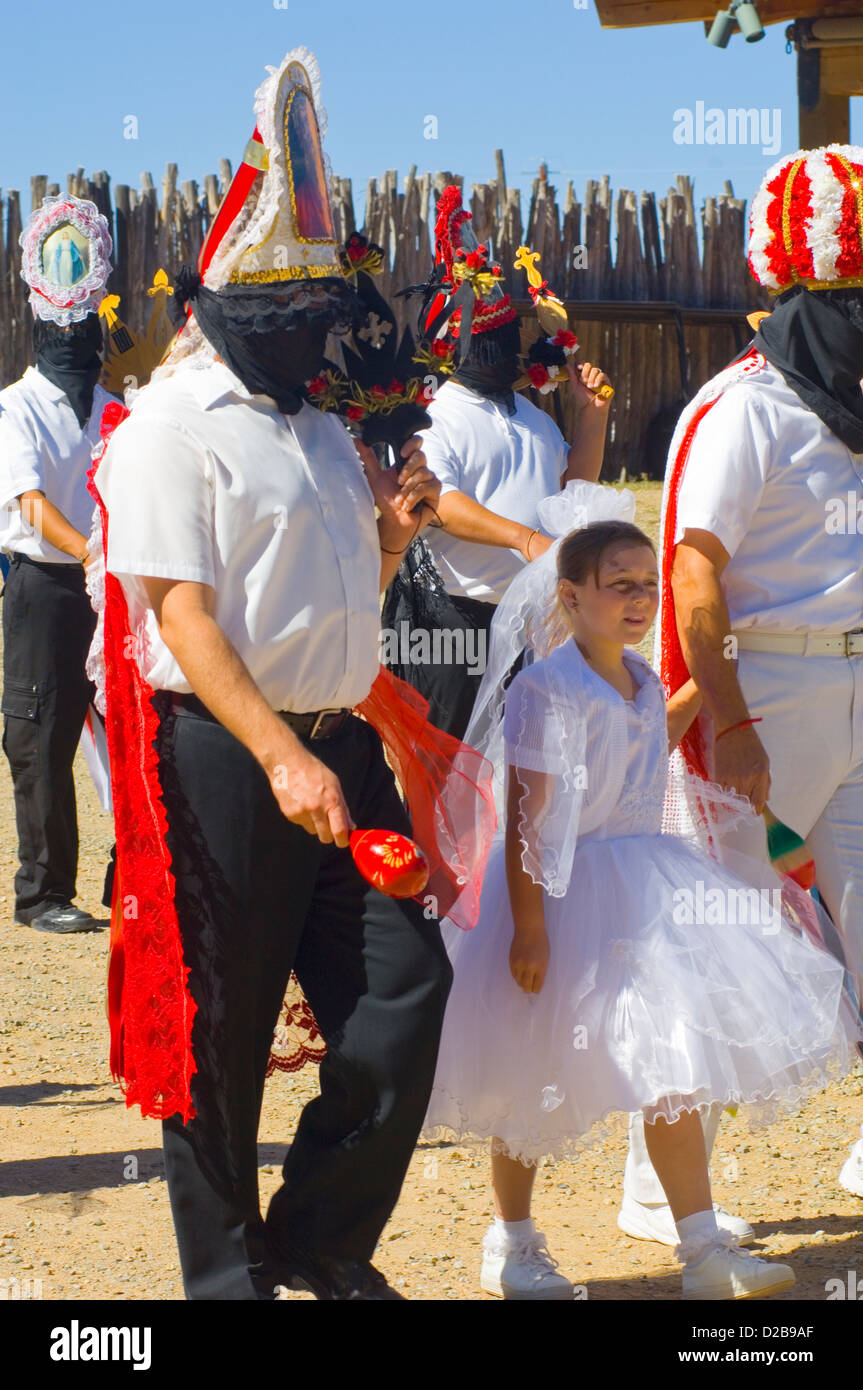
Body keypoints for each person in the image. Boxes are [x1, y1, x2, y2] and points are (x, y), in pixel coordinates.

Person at [91, 49, 471, 1302]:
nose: (319, 321)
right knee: (222, 1028)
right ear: (237, 305)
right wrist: (277, 751)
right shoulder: (164, 428)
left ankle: (314, 1237)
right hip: (226, 751)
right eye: (297, 302)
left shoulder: (316, 427)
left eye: (327, 297)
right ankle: (222, 1274)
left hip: (338, 746)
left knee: (403, 992)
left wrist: (394, 537)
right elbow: (186, 618)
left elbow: (328, 578)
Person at [424, 482, 857, 1300]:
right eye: (617, 584)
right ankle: (511, 1241)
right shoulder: (545, 688)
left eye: (643, 585)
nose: (636, 600)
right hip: (559, 892)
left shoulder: (642, 681)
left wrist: (713, 673)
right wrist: (527, 929)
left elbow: (642, 754)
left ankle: (700, 1251)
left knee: (672, 1062)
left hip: (646, 881)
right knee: (529, 1072)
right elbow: (528, 822)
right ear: (571, 595)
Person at [620, 143, 863, 1246]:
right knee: (715, 945)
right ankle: (659, 1190)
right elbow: (692, 571)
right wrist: (727, 718)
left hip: (857, 682)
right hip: (755, 695)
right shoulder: (744, 410)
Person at [385, 185, 612, 740]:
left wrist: (594, 417)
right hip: (451, 622)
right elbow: (439, 501)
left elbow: (569, 492)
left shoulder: (534, 417)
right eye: (489, 344)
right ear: (457, 346)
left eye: (507, 340)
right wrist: (525, 541)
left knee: (519, 777)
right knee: (449, 776)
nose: (505, 354)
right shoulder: (435, 414)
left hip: (528, 622)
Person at [0, 194, 115, 934]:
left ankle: (132, 874)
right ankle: (42, 892)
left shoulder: (114, 407)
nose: (74, 341)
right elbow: (31, 503)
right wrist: (93, 554)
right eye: (62, 329)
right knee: (41, 735)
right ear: (41, 325)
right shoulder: (16, 407)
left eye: (86, 328)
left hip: (112, 587)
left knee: (131, 730)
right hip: (46, 586)